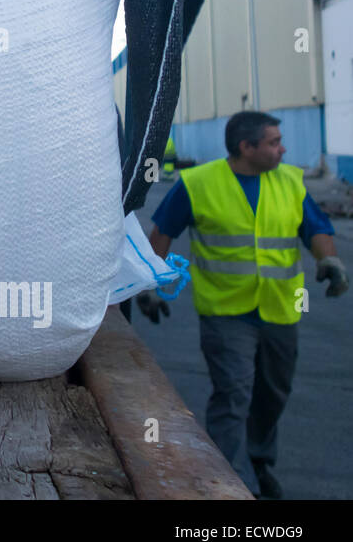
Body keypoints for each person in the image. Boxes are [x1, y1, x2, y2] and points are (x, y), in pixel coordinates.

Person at [137, 111, 348, 499]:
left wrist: (329, 261)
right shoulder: (198, 183)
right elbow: (163, 231)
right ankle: (230, 481)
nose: (282, 148)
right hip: (225, 313)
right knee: (233, 393)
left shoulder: (290, 181)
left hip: (280, 310)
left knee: (273, 393)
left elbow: (316, 227)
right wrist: (148, 286)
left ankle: (258, 460)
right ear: (246, 148)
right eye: (273, 142)